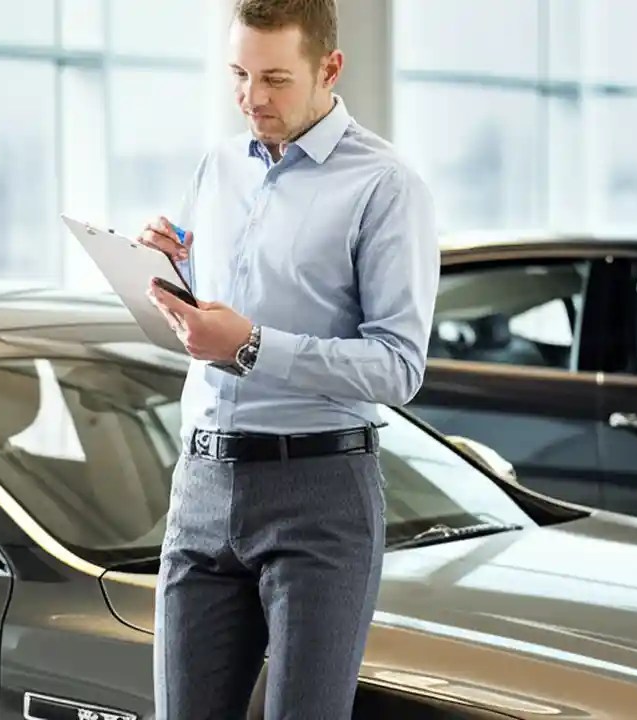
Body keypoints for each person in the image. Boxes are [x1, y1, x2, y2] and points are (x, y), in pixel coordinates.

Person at [137, 0, 438, 717]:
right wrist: (169, 272)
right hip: (202, 485)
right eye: (238, 74)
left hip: (320, 494)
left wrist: (248, 344)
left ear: (330, 68)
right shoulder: (216, 166)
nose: (251, 98)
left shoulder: (385, 187)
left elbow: (399, 367)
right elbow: (209, 314)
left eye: (275, 78)